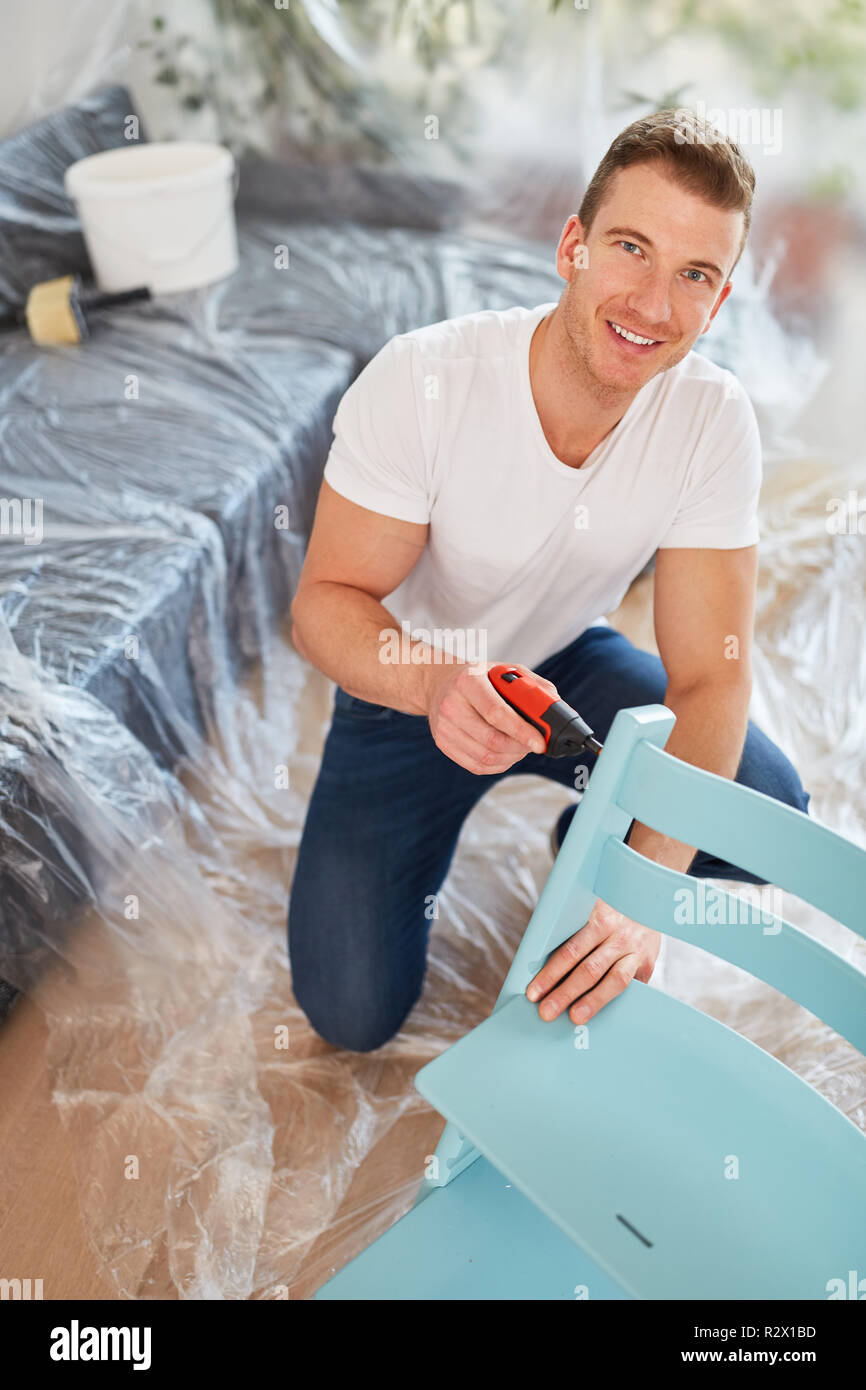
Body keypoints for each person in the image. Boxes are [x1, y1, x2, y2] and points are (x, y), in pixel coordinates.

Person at [288, 108, 810, 1052]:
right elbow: (324, 606)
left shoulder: (711, 419)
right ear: (573, 245)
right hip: (415, 686)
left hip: (565, 663)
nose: (654, 305)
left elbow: (711, 677)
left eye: (695, 274)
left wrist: (634, 888)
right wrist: (433, 686)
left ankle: (588, 838)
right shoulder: (424, 382)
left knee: (767, 813)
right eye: (631, 249)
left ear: (721, 300)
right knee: (350, 1010)